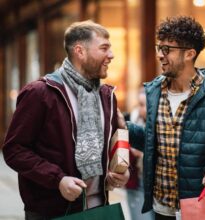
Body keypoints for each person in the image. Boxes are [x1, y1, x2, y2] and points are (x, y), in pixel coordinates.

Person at [2, 20, 129, 219]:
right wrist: (58, 180)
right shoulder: (40, 93)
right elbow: (14, 150)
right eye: (104, 48)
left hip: (99, 209)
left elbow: (110, 145)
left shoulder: (107, 95)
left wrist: (120, 172)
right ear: (80, 51)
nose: (111, 55)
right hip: (51, 212)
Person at [118, 16, 205, 220]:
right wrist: (123, 125)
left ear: (189, 54)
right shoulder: (153, 90)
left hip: (199, 205)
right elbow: (153, 142)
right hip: (161, 207)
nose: (160, 55)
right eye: (159, 48)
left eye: (167, 49)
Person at [125, 87, 154, 220]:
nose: (141, 109)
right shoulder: (132, 121)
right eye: (140, 104)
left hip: (155, 185)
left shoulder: (159, 125)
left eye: (144, 105)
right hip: (136, 182)